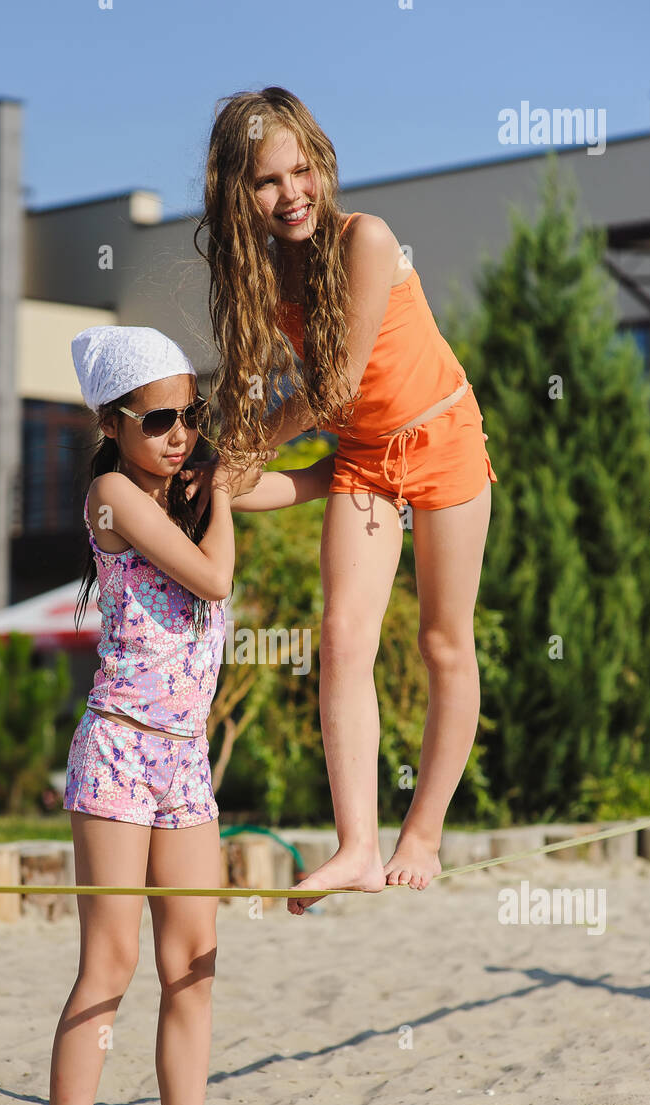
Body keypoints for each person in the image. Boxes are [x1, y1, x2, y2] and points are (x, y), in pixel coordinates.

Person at [42, 324, 332, 1105]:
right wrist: (225, 503)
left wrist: (363, 463)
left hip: (185, 761)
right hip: (121, 748)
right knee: (112, 962)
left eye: (192, 416)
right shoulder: (112, 497)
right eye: (161, 419)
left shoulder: (187, 482)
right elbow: (211, 579)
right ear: (113, 422)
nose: (181, 434)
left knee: (195, 960)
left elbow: (305, 482)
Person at [195, 86, 498, 914]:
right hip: (362, 459)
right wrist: (221, 472)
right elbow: (262, 405)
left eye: (301, 171)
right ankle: (358, 844)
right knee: (340, 638)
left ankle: (423, 832)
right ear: (237, 193)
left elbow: (333, 385)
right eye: (266, 181)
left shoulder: (366, 238)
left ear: (322, 166)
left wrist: (251, 448)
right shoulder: (260, 274)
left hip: (442, 439)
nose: (290, 193)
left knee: (443, 641)